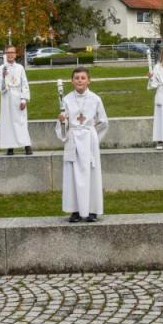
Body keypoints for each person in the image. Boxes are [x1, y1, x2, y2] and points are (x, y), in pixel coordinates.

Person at [56, 66, 109, 223]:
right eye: (77, 78)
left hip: (89, 141)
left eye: (83, 78)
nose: (80, 80)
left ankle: (92, 210)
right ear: (72, 81)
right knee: (73, 175)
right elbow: (63, 125)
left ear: (89, 80)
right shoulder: (66, 99)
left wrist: (92, 134)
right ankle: (75, 210)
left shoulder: (95, 99)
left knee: (91, 175)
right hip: (73, 140)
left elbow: (104, 122)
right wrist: (62, 121)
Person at [0, 45, 33, 155]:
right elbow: (0, 87)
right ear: (5, 54)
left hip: (18, 99)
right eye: (8, 52)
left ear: (15, 54)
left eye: (12, 52)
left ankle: (27, 145)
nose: (10, 54)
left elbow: (24, 84)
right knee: (8, 123)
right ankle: (10, 146)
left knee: (21, 122)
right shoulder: (0, 69)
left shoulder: (20, 68)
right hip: (7, 99)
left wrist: (23, 100)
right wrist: (3, 77)